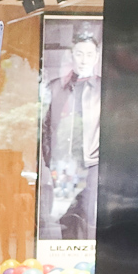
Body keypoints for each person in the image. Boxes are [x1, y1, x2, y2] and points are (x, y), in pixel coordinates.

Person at [40, 29, 101, 241]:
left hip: (92, 163)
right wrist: (50, 158)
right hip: (64, 163)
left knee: (88, 213)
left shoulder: (104, 89)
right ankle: (67, 262)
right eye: (79, 54)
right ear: (71, 55)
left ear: (96, 57)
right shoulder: (56, 87)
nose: (84, 60)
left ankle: (85, 261)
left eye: (89, 54)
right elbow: (45, 127)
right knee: (65, 216)